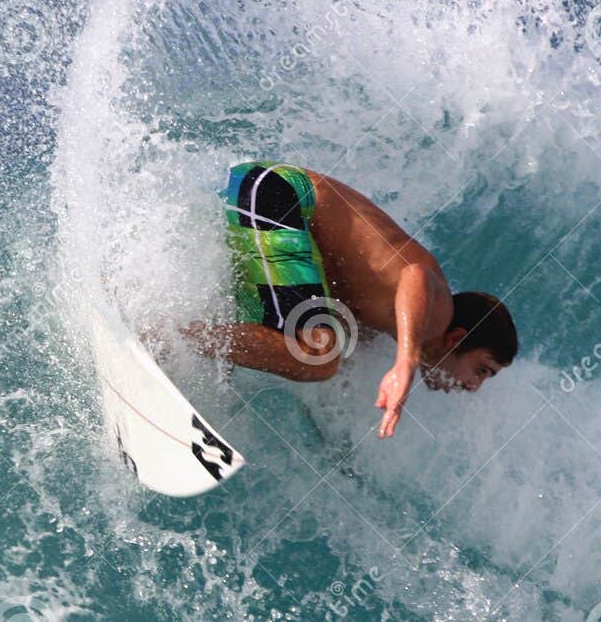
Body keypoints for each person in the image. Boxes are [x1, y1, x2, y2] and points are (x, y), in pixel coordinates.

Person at [184, 161, 517, 439]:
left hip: (260, 191)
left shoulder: (380, 321)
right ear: (456, 339)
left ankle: (181, 346)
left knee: (297, 345)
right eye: (481, 369)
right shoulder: (438, 314)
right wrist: (406, 362)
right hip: (278, 195)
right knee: (317, 357)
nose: (473, 386)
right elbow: (416, 274)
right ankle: (178, 336)